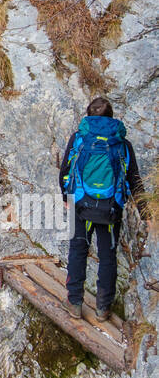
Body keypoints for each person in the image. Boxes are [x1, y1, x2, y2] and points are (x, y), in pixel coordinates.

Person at [59, 96, 149, 321]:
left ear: (88, 115)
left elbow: (65, 170)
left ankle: (75, 302)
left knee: (77, 250)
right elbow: (135, 179)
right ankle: (103, 307)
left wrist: (65, 195)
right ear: (111, 117)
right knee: (108, 255)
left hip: (80, 204)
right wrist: (145, 213)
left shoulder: (79, 138)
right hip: (111, 208)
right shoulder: (121, 143)